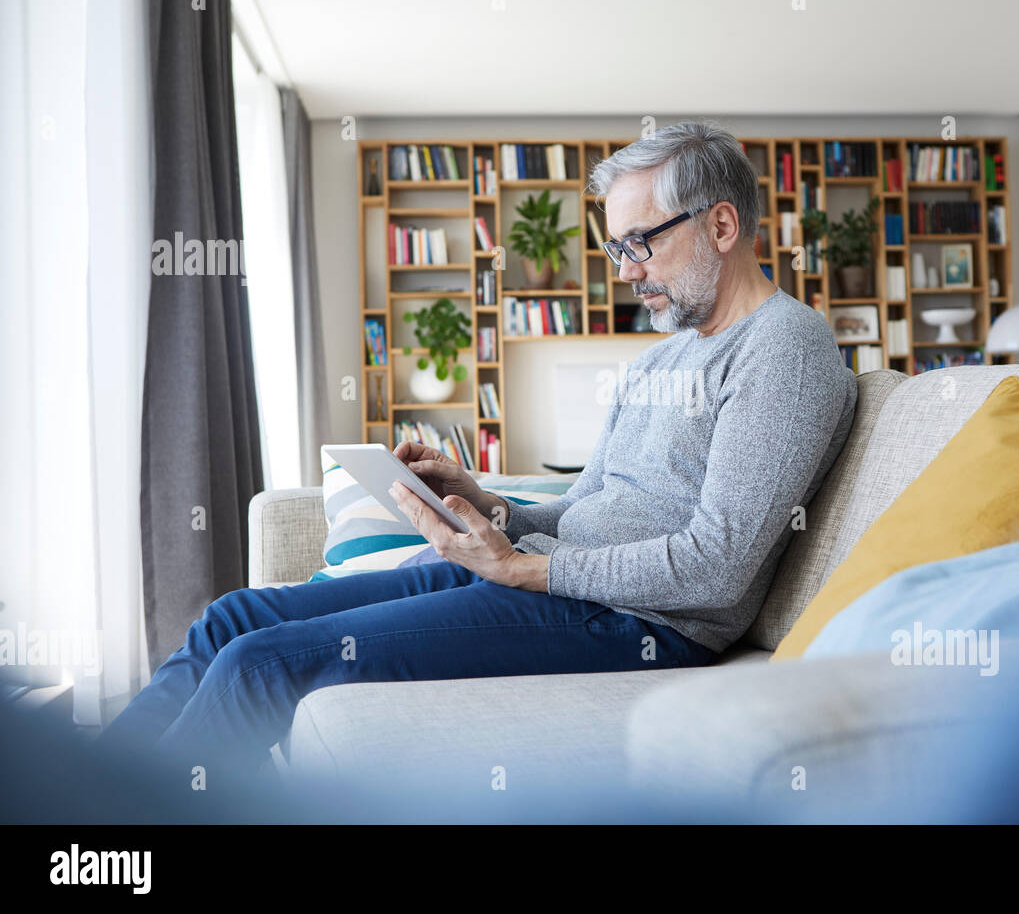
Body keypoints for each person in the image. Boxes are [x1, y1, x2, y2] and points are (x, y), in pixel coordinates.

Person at [99, 120, 859, 778]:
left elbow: (717, 566)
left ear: (721, 227)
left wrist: (525, 569)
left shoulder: (784, 349)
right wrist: (485, 502)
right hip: (553, 589)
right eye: (615, 245)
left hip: (641, 623)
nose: (625, 269)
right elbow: (582, 506)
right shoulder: (661, 358)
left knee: (257, 669)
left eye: (639, 243)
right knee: (232, 620)